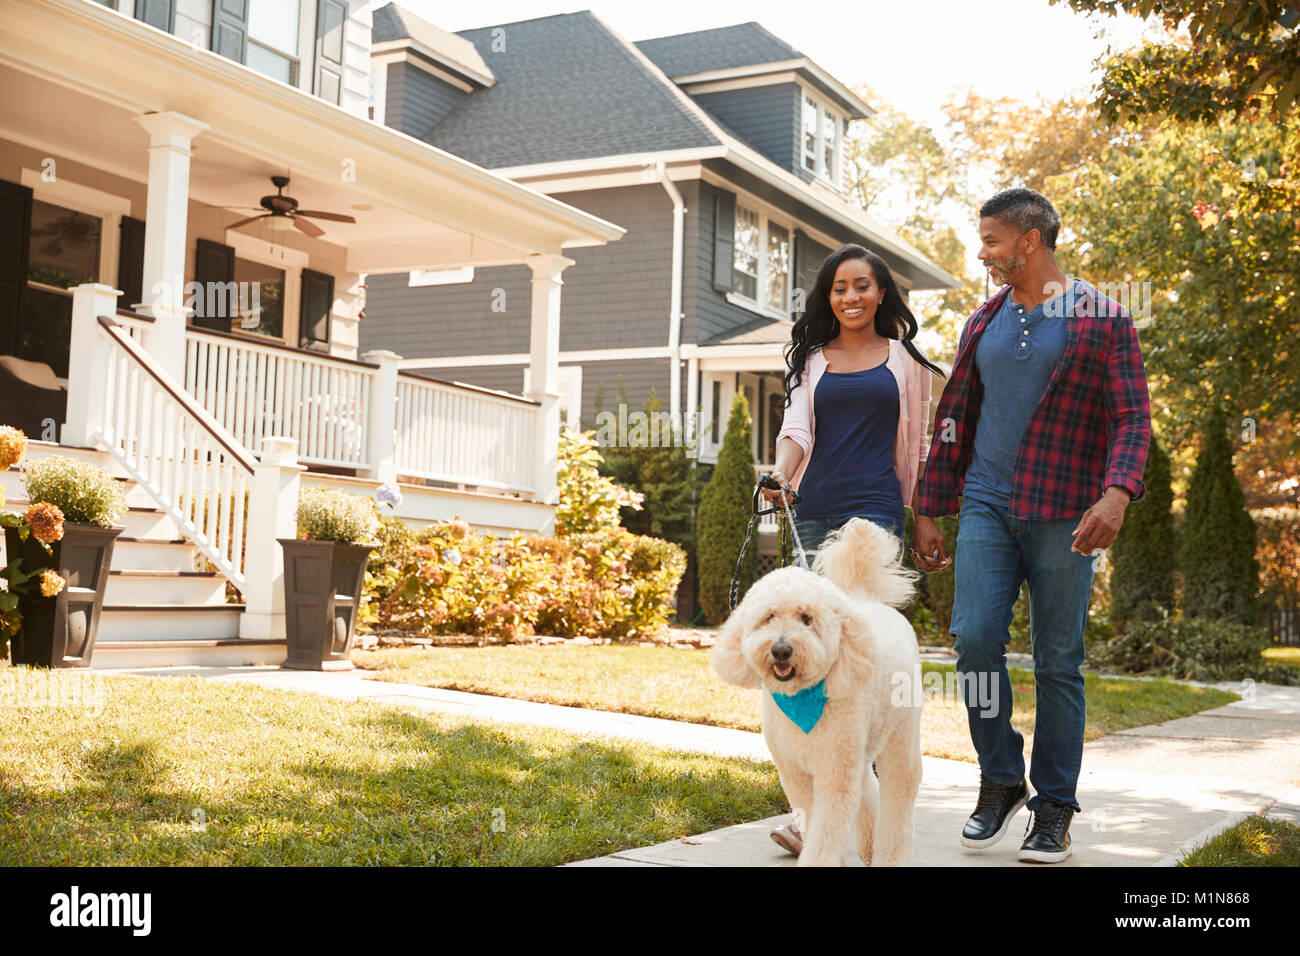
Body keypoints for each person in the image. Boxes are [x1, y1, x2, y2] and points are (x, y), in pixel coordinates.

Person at [912, 187, 1151, 863]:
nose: (981, 252)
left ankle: (1053, 807)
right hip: (988, 504)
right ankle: (999, 778)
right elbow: (955, 419)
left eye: (990, 240)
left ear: (1030, 241)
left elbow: (1133, 417)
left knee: (1057, 661)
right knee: (976, 640)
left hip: (1067, 513)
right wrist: (930, 505)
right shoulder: (982, 320)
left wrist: (1118, 494)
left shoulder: (1102, 319)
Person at [762, 243, 945, 857]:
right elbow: (795, 431)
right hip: (814, 510)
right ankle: (812, 811)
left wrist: (923, 518)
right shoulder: (811, 361)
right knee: (813, 658)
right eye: (840, 287)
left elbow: (918, 447)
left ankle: (856, 802)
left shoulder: (905, 362)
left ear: (882, 292)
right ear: (828, 295)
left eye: (862, 285)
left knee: (863, 656)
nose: (851, 297)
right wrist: (781, 475)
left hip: (877, 514)